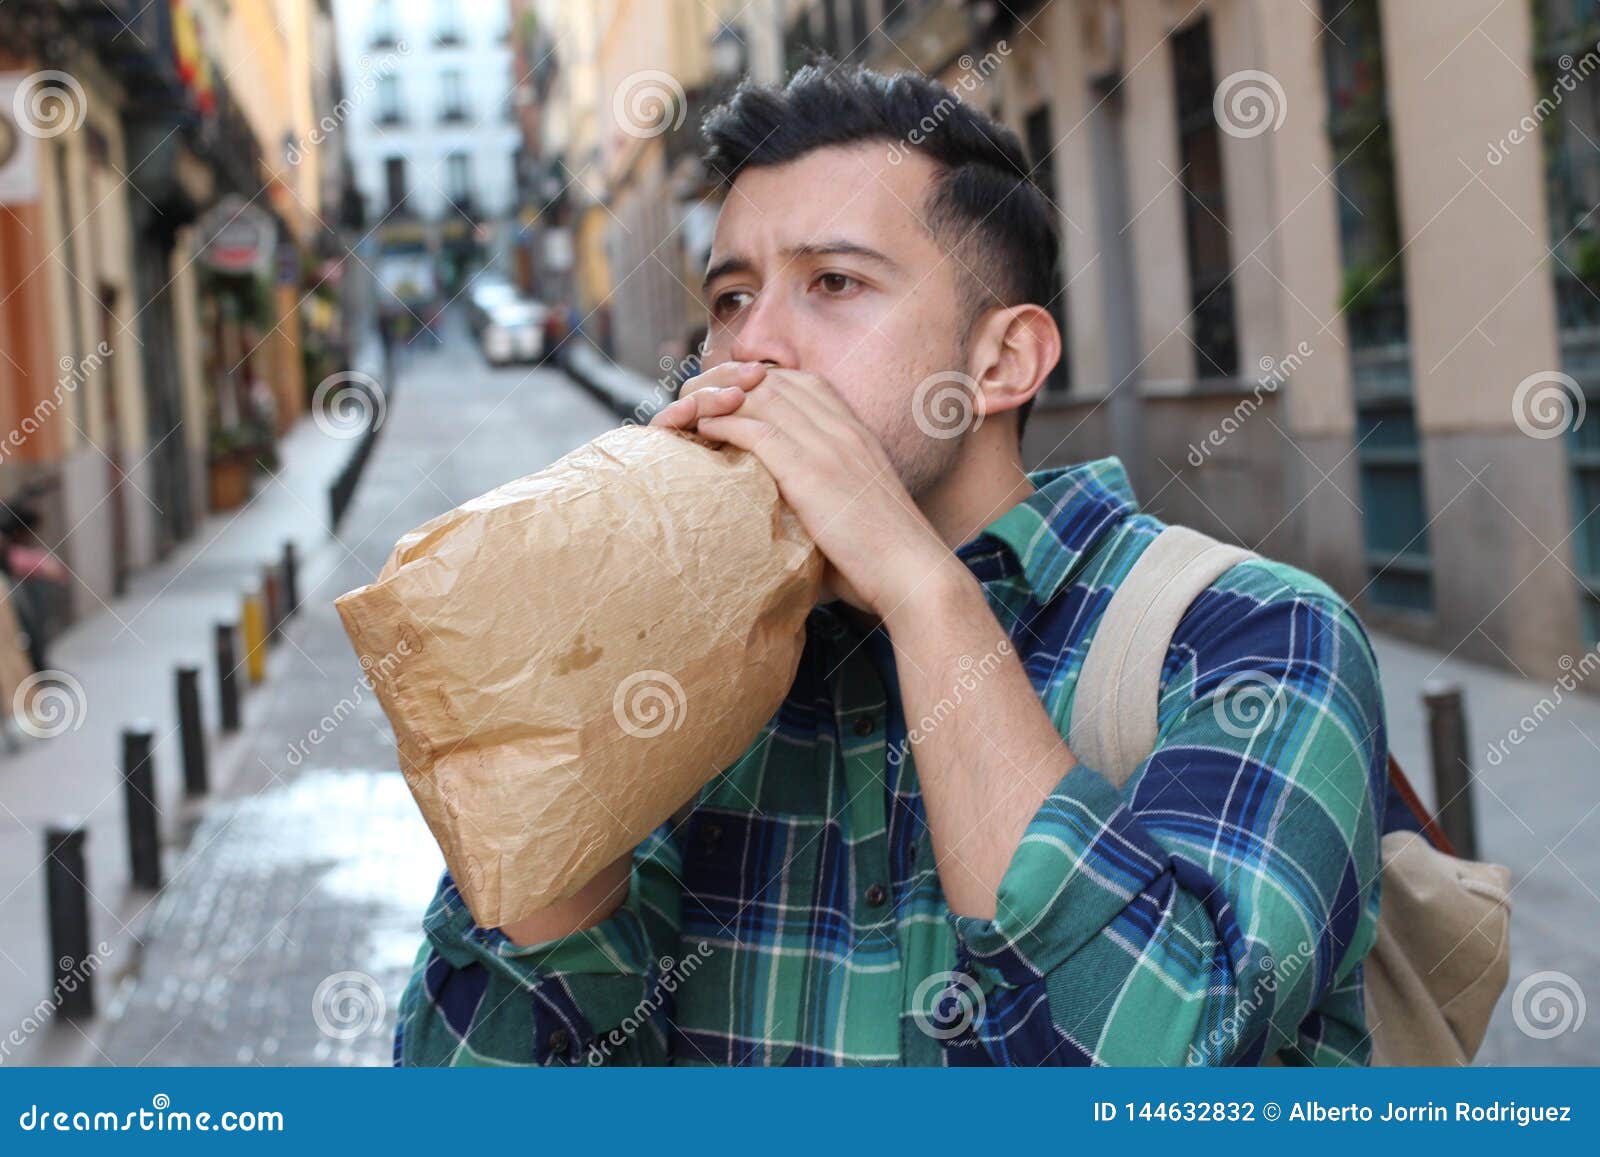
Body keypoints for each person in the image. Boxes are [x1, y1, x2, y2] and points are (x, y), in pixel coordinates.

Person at [395, 63, 1391, 1067]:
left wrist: (920, 592)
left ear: (1002, 362)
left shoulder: (1251, 639)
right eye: (732, 297)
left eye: (834, 283)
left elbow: (1161, 1059)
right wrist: (572, 732)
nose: (756, 348)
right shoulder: (679, 676)